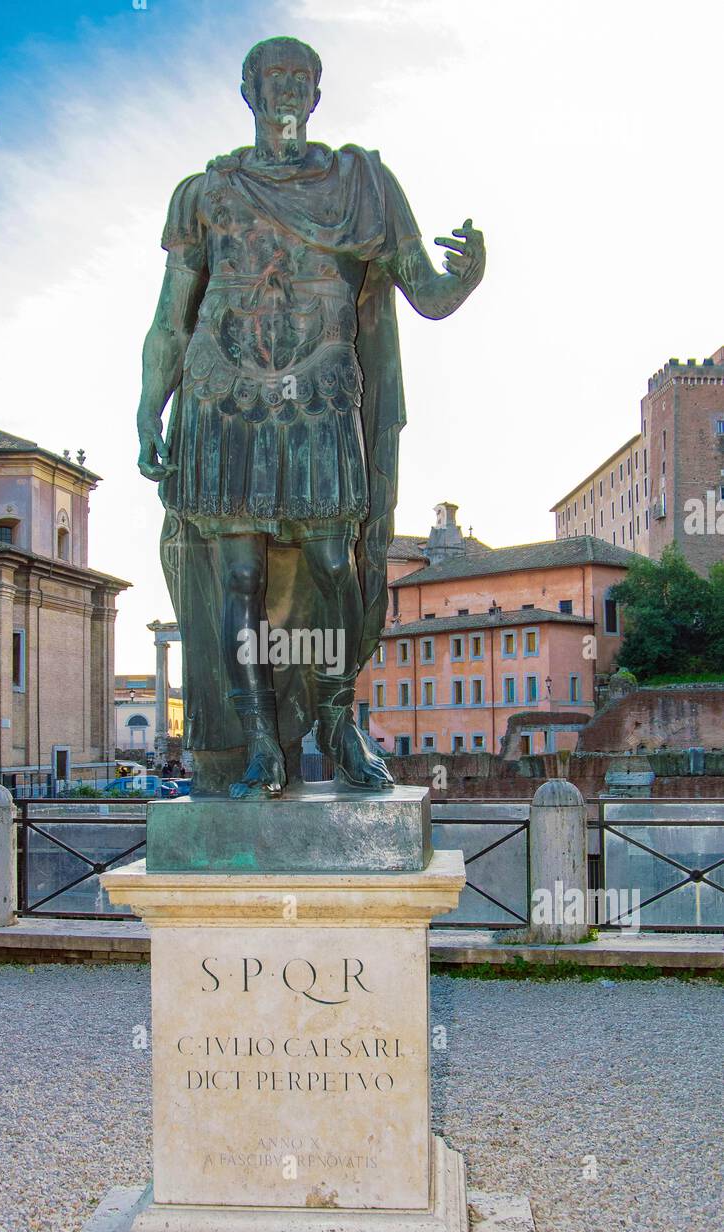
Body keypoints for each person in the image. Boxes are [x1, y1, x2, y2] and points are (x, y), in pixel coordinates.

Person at [137, 35, 484, 798]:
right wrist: (147, 406)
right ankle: (258, 739)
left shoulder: (363, 185)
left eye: (301, 78)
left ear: (317, 96)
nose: (287, 89)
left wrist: (465, 279)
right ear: (249, 90)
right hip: (222, 396)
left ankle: (336, 716)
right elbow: (171, 317)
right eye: (273, 76)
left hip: (322, 392)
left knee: (336, 565)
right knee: (237, 576)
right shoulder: (204, 193)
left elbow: (424, 291)